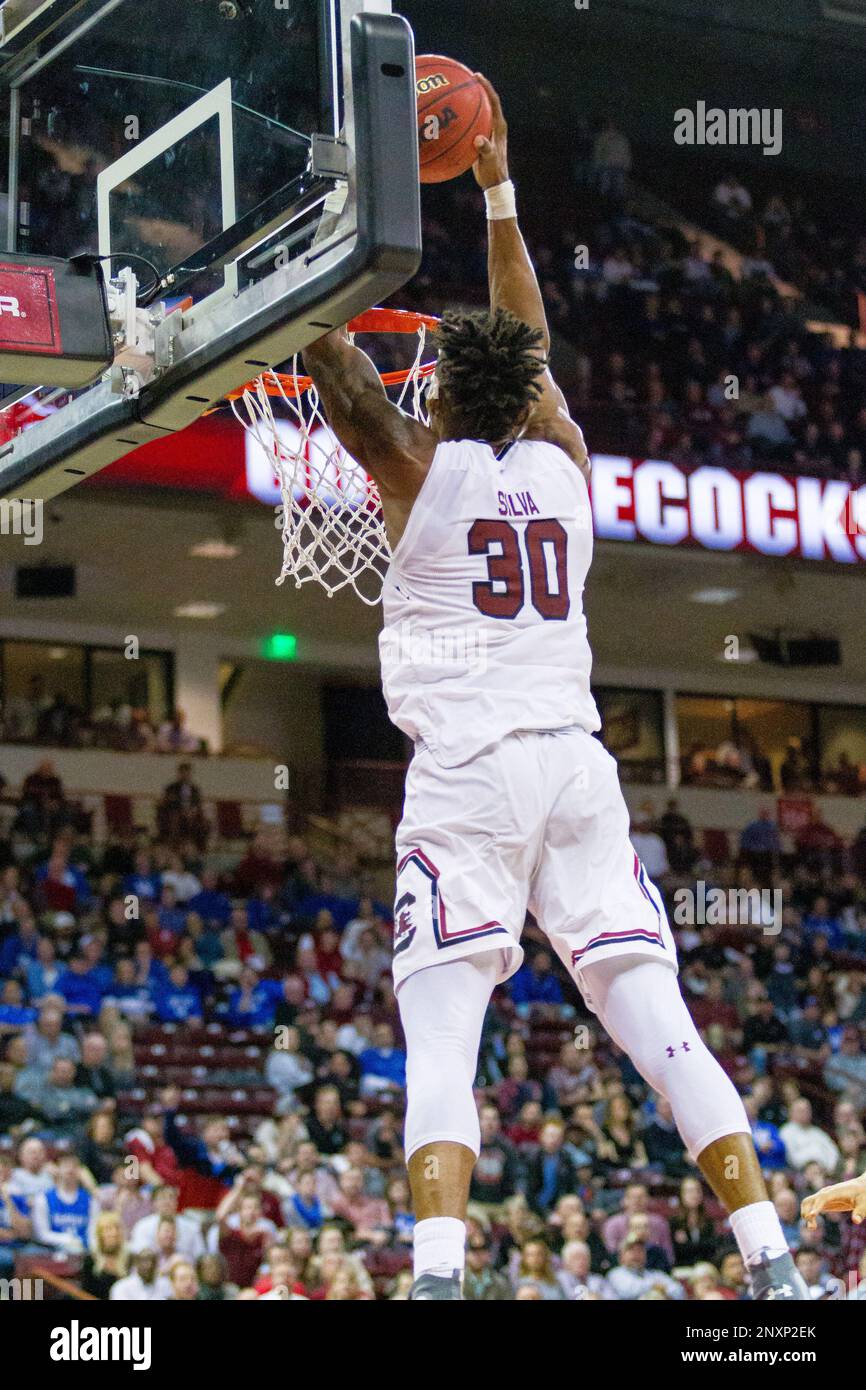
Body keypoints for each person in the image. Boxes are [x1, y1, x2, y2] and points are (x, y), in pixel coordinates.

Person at [301, 75, 806, 1302]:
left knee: (440, 1037)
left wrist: (306, 253)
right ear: (534, 392)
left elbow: (339, 373)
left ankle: (434, 1279)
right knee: (656, 1022)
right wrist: (497, 184)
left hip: (469, 775)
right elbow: (521, 345)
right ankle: (774, 1265)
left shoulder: (417, 473)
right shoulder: (570, 470)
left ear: (441, 393)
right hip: (577, 770)